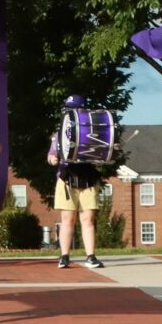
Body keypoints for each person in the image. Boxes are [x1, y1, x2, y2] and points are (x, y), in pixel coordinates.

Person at [50, 96, 103, 271]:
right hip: (67, 177)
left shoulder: (93, 132)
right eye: (68, 109)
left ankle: (91, 256)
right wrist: (53, 159)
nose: (70, 112)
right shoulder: (59, 133)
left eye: (74, 109)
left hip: (88, 178)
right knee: (68, 219)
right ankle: (64, 256)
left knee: (88, 219)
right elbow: (51, 155)